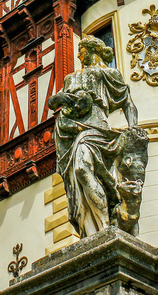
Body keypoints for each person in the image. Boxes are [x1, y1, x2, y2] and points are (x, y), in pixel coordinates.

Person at [48, 35, 147, 237]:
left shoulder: (107, 74)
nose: (78, 54)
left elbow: (127, 102)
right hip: (68, 133)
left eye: (81, 50)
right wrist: (59, 98)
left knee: (82, 169)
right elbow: (52, 102)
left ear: (92, 50)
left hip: (95, 129)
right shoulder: (71, 77)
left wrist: (133, 127)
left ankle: (104, 228)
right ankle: (93, 231)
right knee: (78, 178)